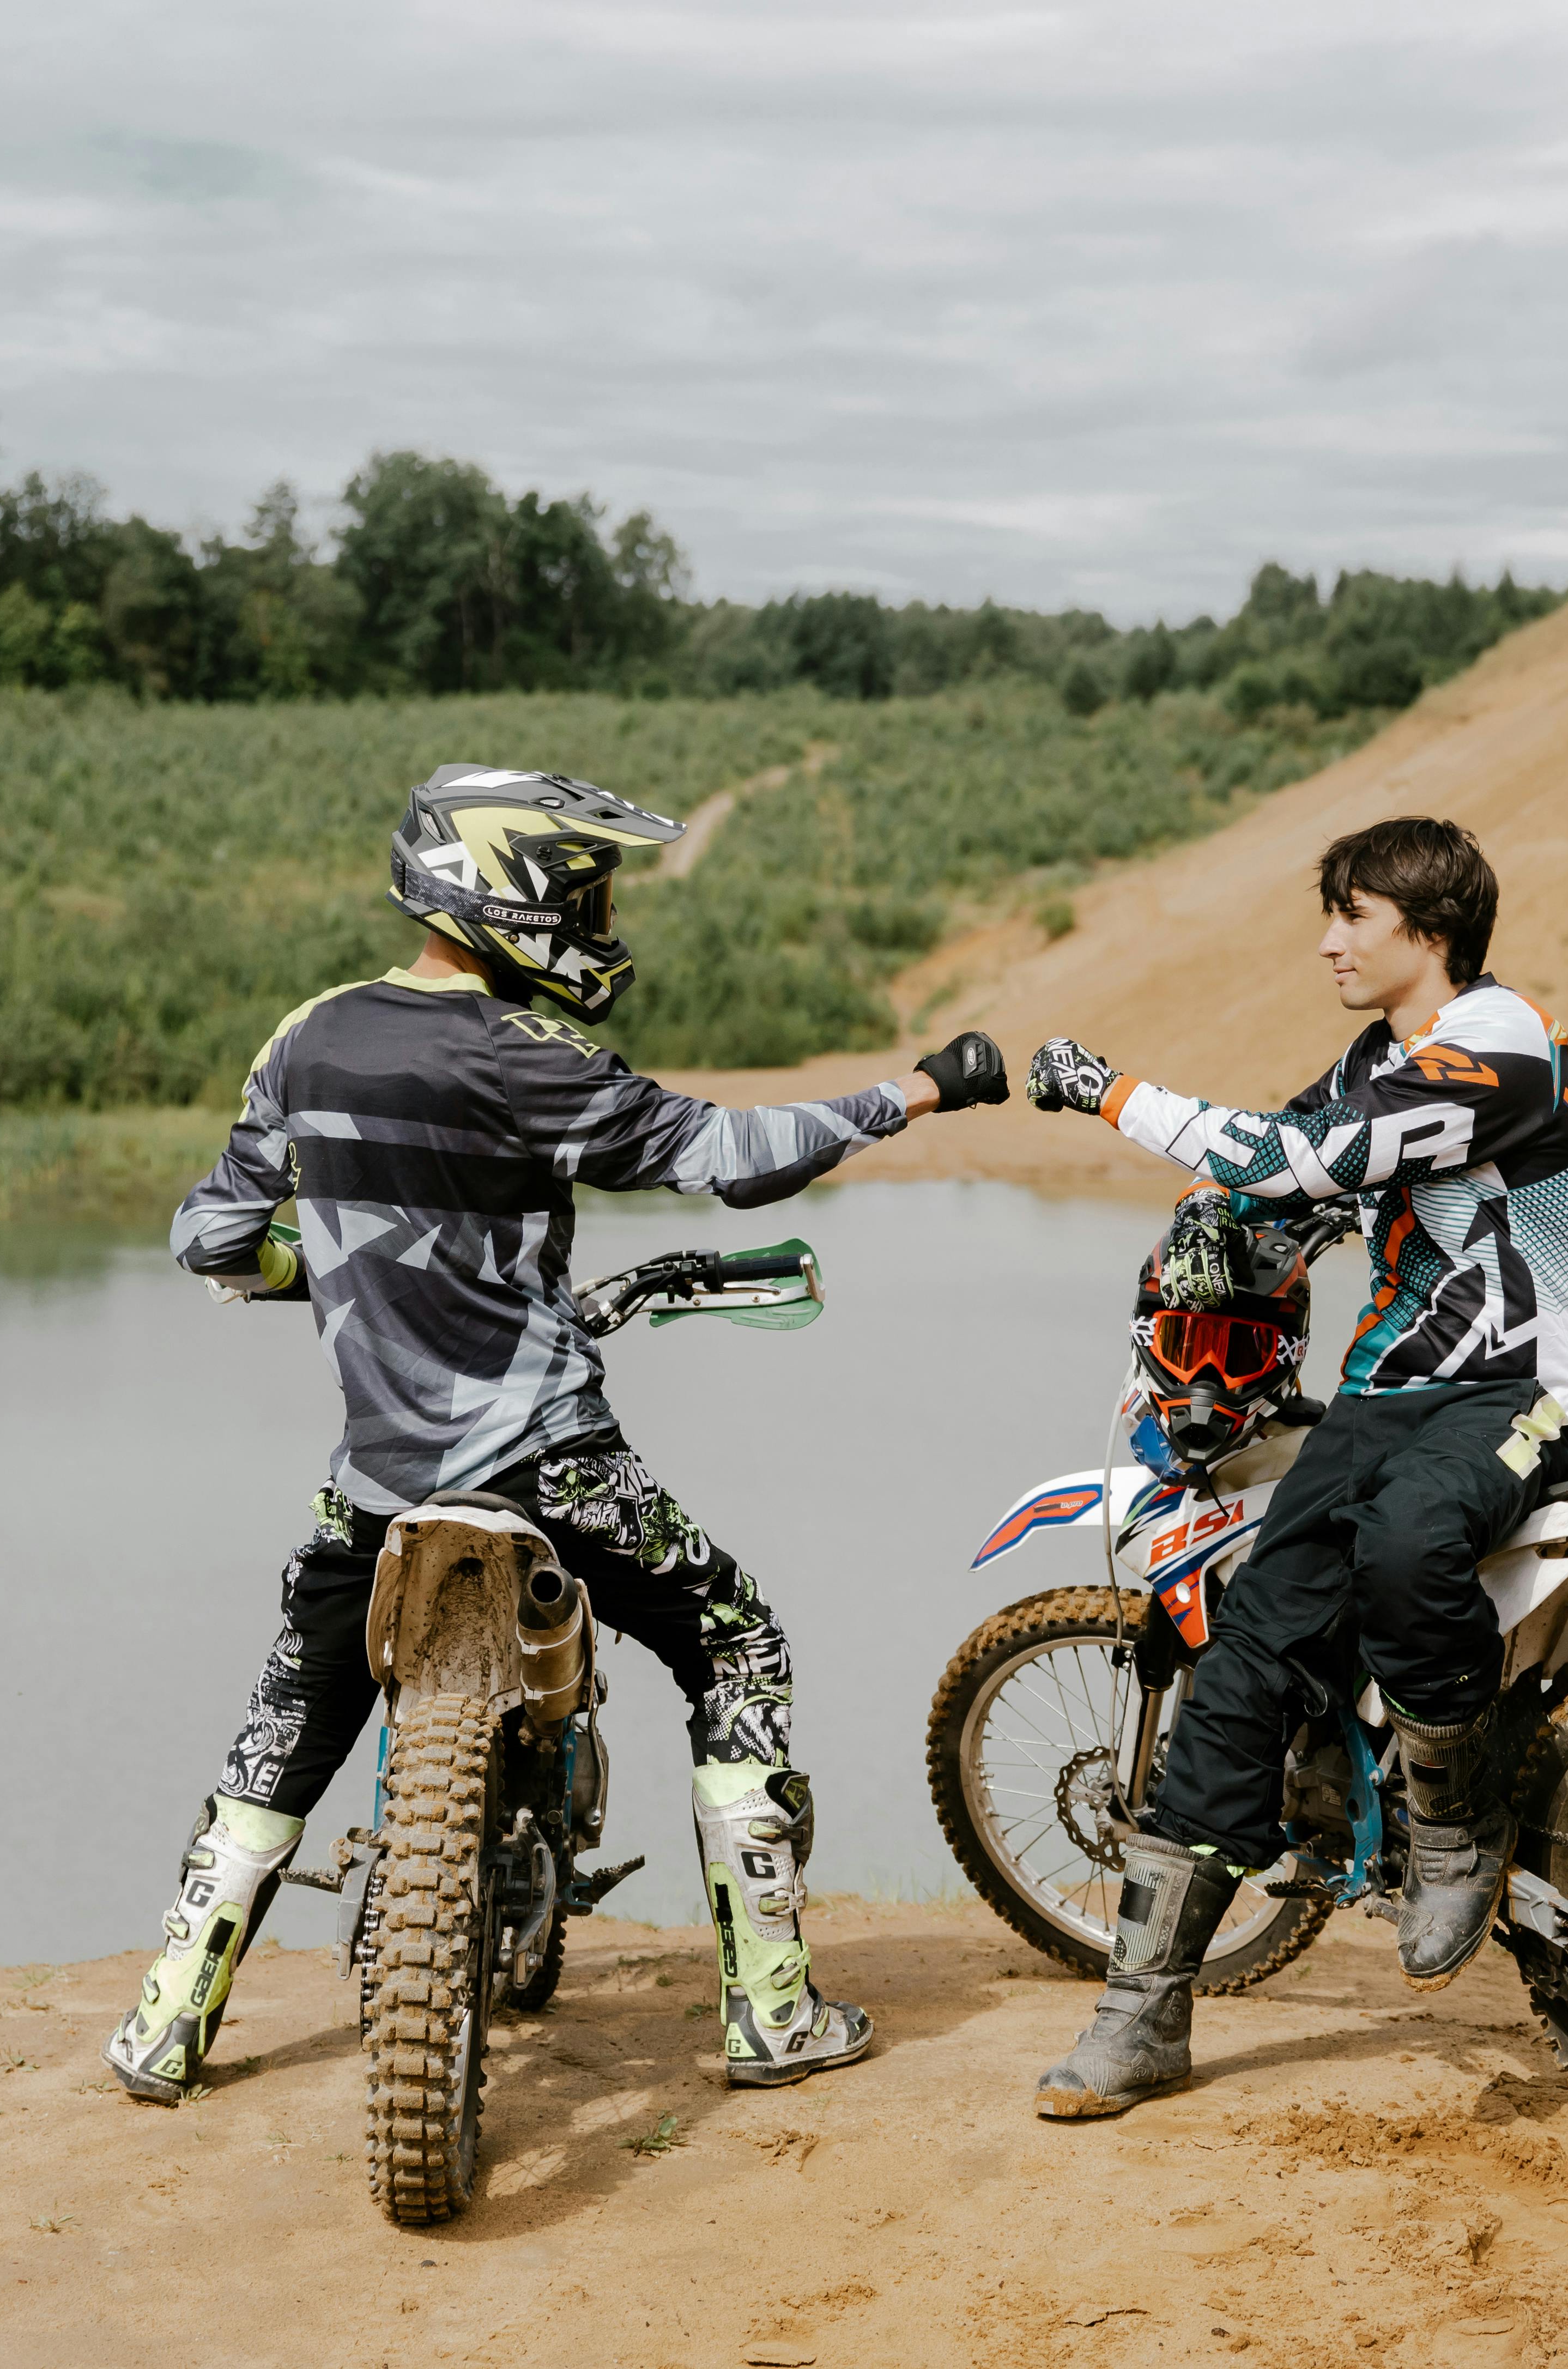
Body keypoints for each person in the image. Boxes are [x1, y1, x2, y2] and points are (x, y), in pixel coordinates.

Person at [105, 762, 1007, 2104]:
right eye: (578, 893)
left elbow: (215, 1239)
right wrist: (918, 1089)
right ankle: (770, 2006)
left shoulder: (307, 1034)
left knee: (289, 1718)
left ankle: (164, 2025)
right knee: (737, 1636)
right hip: (547, 1454)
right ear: (503, 895)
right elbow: (733, 1154)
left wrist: (346, 1266)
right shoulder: (530, 1057)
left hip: (377, 1469)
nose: (594, 919)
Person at [1017, 814, 1568, 2118]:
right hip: (1389, 1395)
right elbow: (1272, 1185)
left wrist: (1108, 1090)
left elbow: (1305, 1158)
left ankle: (1453, 1820)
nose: (1328, 940)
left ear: (1429, 934)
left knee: (1410, 1539)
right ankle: (1141, 2012)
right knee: (1244, 1659)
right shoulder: (1373, 1055)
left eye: (1354, 916)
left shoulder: (1501, 1044)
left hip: (1522, 1394)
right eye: (1328, 912)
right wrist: (1206, 1267)